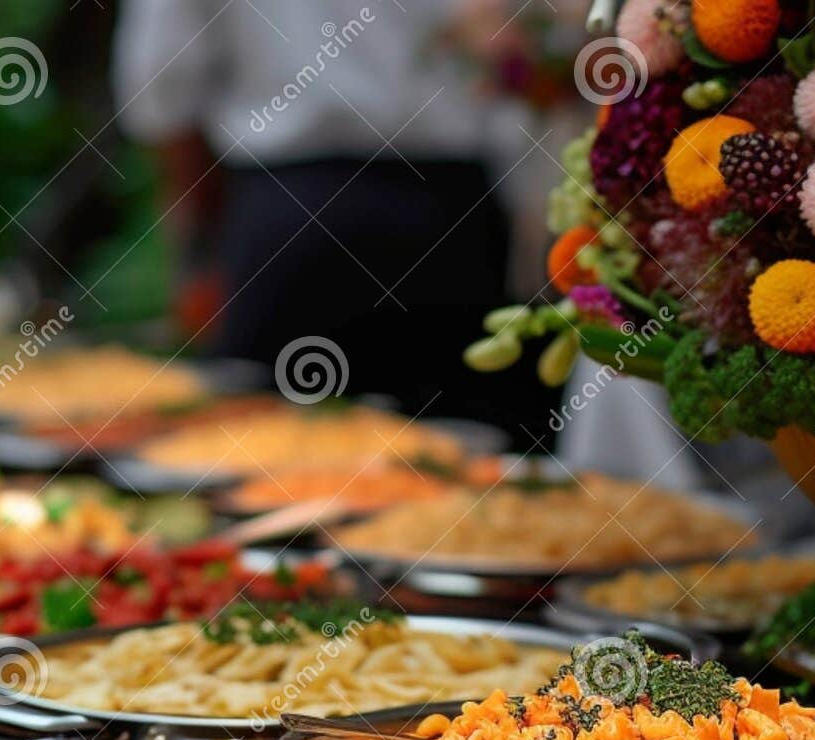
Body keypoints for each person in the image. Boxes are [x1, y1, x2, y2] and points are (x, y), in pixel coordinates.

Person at [112, 0, 543, 427]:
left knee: (259, 455)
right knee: (463, 458)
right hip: (448, 221)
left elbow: (162, 82)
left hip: (290, 218)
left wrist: (195, 249)